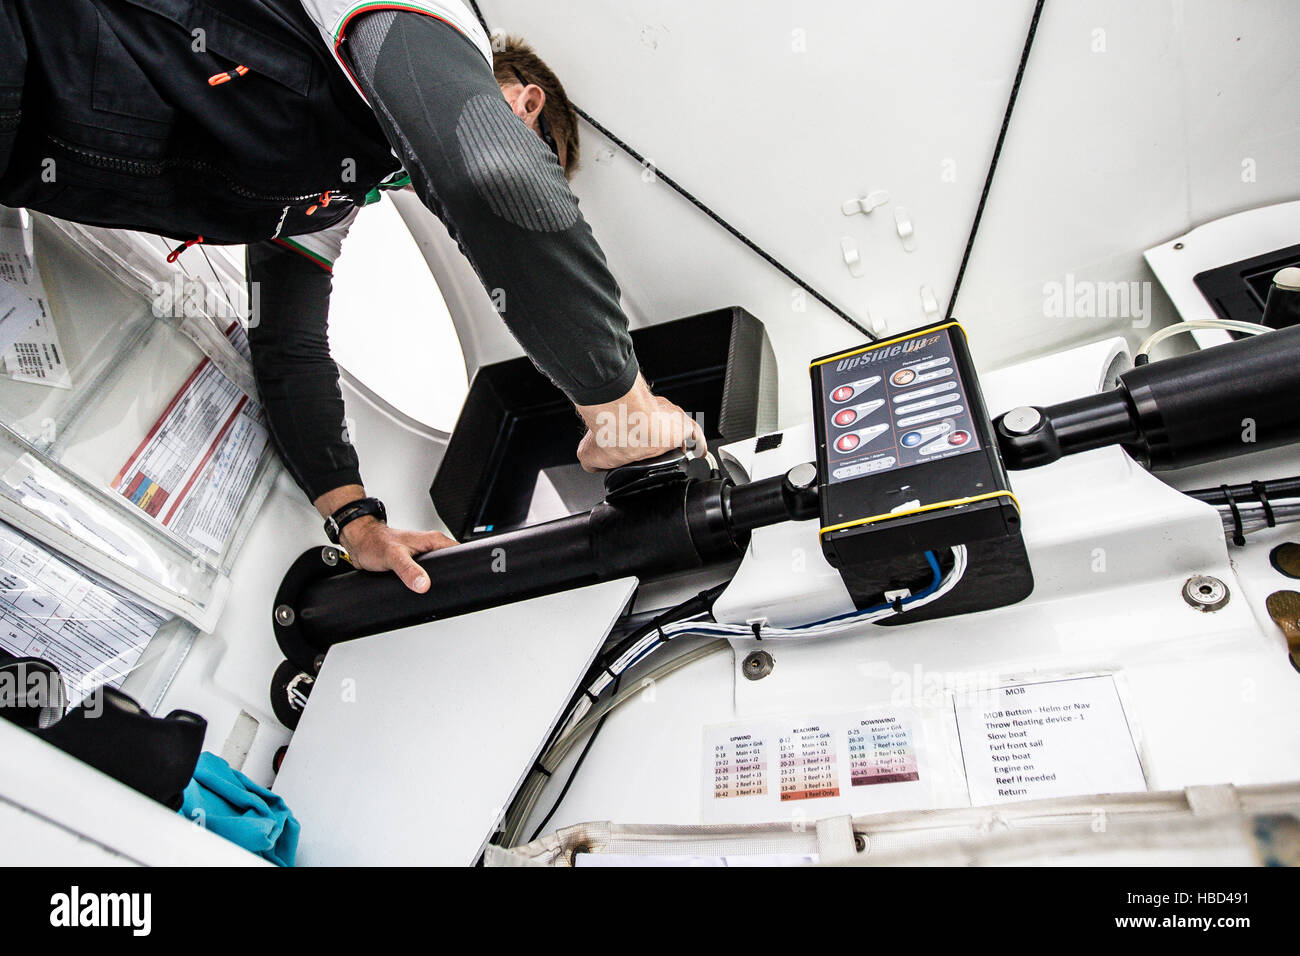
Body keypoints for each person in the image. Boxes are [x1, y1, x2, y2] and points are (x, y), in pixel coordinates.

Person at [0, 0, 705, 593]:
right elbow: (495, 176)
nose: (530, 170)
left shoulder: (337, 192)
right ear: (523, 102)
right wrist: (626, 413)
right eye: (540, 155)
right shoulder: (433, 17)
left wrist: (356, 520)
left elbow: (288, 345)